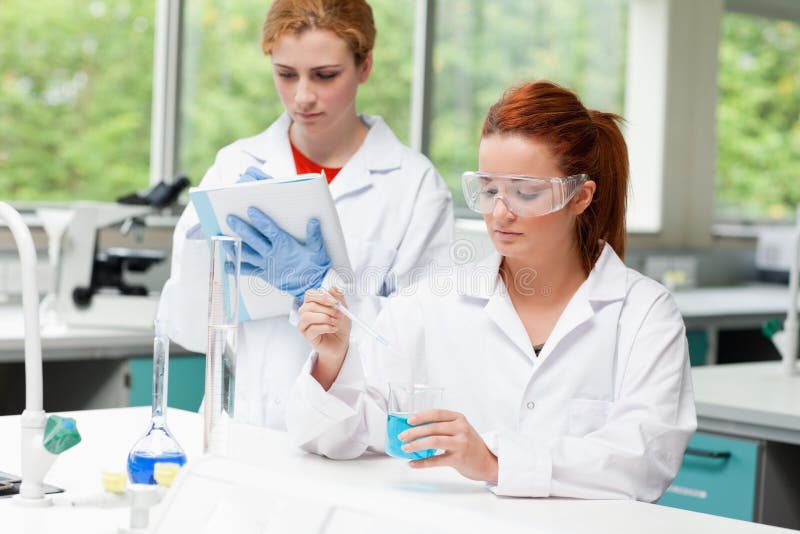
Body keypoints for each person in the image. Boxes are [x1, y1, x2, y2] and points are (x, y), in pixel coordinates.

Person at [288, 80, 696, 501]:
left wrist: (496, 463)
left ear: (580, 197)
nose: (500, 212)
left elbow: (646, 460)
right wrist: (332, 361)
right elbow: (338, 438)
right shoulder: (430, 304)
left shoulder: (644, 313)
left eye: (526, 192)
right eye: (488, 190)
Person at [158, 0, 453, 430]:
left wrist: (319, 288)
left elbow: (421, 349)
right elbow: (184, 329)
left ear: (365, 66)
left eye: (325, 75)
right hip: (241, 431)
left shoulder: (414, 186)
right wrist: (202, 258)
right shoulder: (234, 166)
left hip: (348, 437)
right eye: (285, 74)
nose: (302, 96)